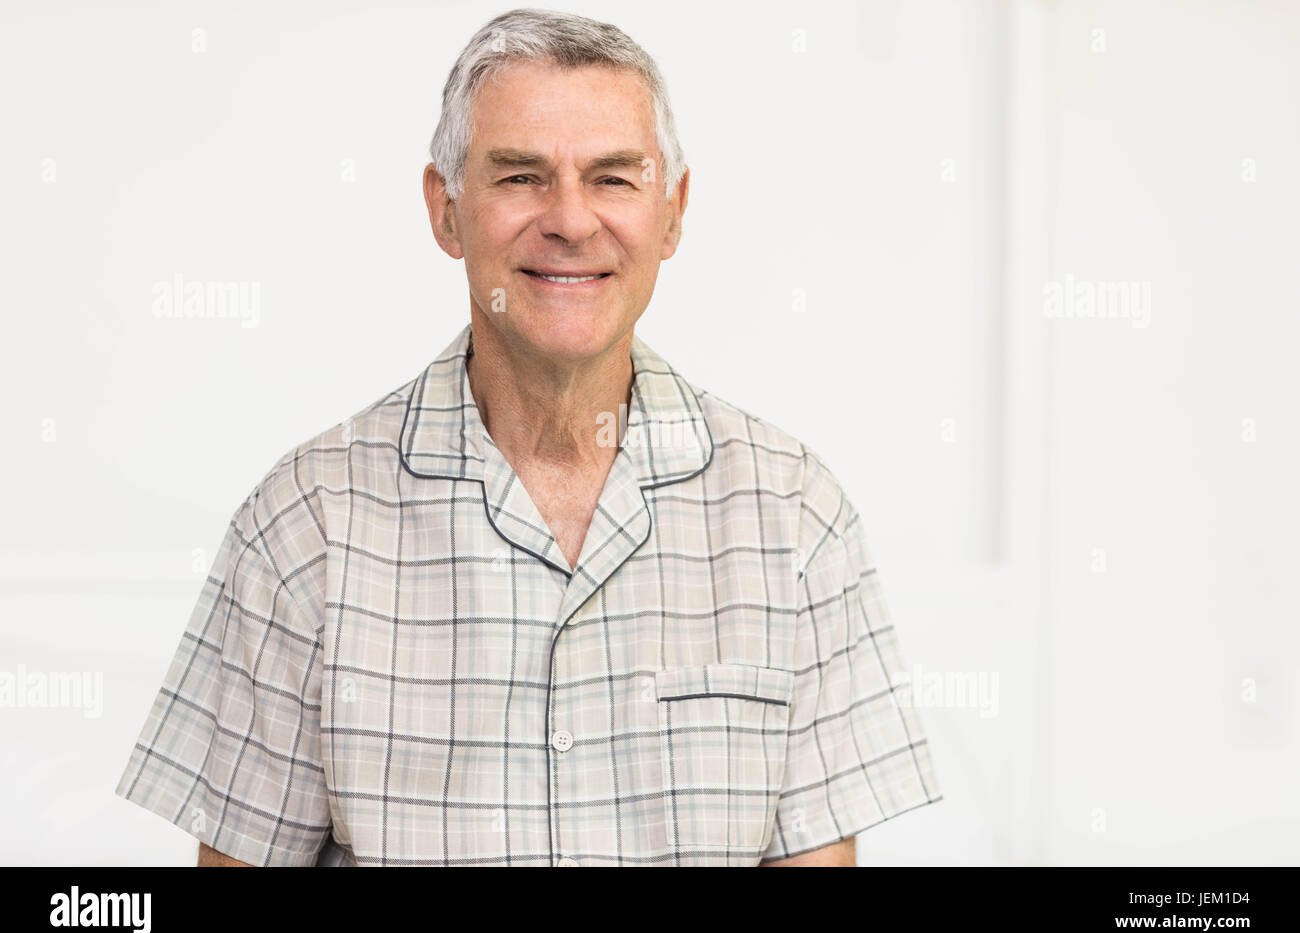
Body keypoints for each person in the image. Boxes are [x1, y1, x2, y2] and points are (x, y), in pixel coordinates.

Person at [115, 6, 942, 867]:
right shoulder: (305, 526)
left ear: (673, 212)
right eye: (519, 177)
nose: (572, 221)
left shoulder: (796, 517)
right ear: (445, 209)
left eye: (614, 178)